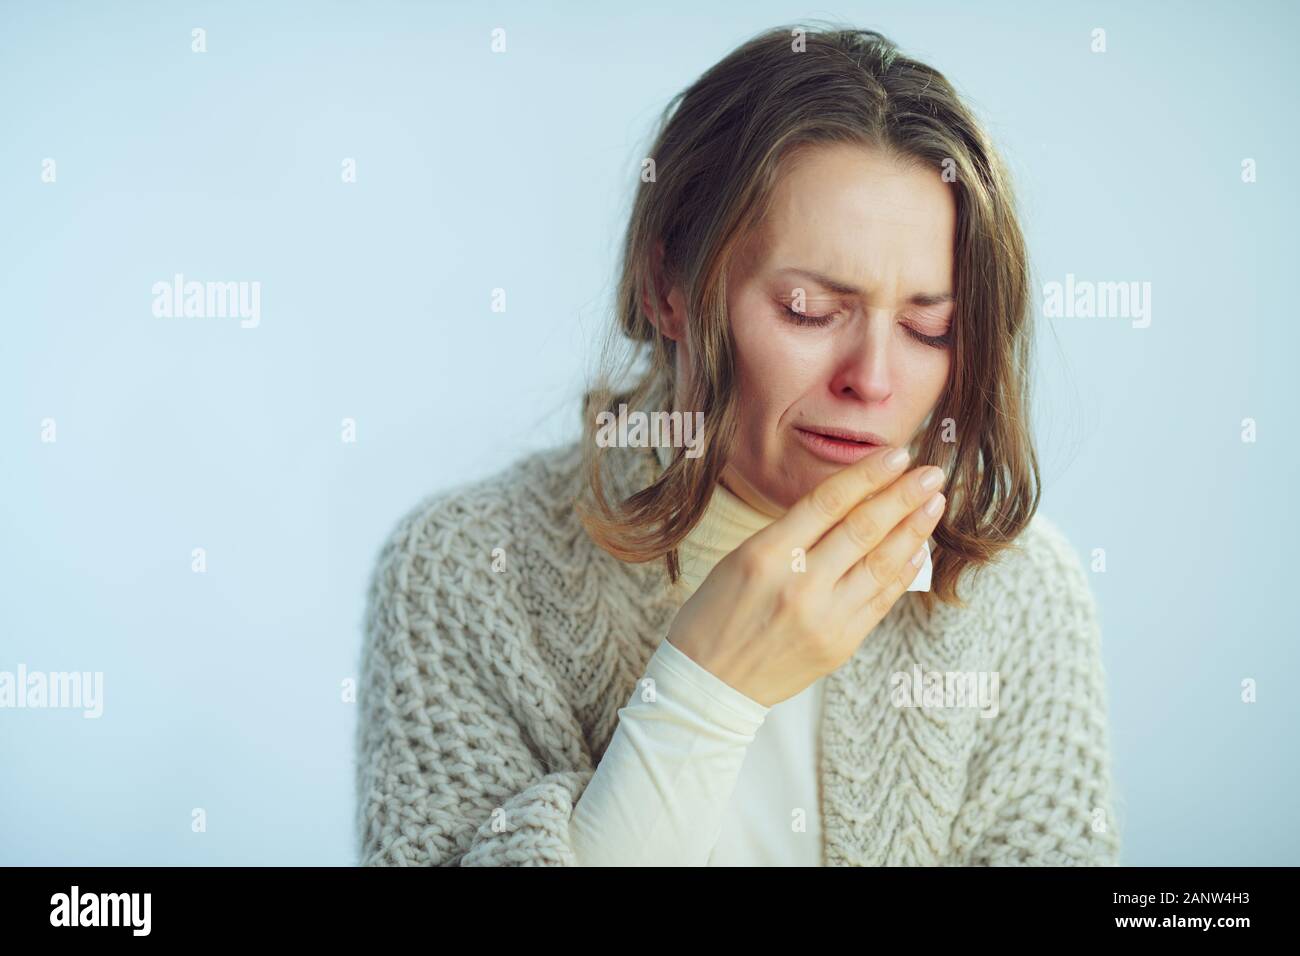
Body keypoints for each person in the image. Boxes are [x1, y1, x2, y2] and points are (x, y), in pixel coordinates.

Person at [354, 23, 1122, 867]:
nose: (871, 379)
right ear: (668, 286)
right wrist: (704, 688)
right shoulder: (462, 572)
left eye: (926, 327)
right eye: (806, 310)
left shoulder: (1019, 594)